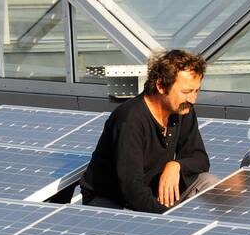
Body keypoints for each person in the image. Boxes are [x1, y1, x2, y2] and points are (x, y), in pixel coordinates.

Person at [80, 49, 218, 213]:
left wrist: (176, 165)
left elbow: (200, 159)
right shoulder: (130, 120)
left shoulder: (182, 109)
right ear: (160, 85)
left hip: (152, 193)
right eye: (186, 92)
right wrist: (170, 218)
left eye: (196, 91)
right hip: (113, 201)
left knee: (209, 183)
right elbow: (132, 190)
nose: (192, 99)